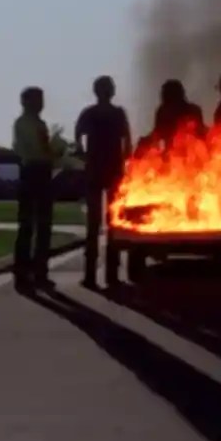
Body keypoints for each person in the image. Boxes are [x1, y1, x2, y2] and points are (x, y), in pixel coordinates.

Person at [75, 75, 132, 289]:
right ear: (110, 91)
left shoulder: (89, 113)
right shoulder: (117, 114)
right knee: (112, 224)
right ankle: (111, 276)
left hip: (96, 171)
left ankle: (91, 276)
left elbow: (77, 135)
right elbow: (128, 140)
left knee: (94, 224)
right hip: (111, 171)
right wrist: (127, 161)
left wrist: (82, 152)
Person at [12, 86, 56, 290]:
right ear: (26, 102)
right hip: (36, 171)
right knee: (37, 225)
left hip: (33, 171)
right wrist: (56, 148)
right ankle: (33, 273)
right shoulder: (31, 124)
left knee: (33, 226)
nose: (41, 103)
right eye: (38, 100)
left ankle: (30, 273)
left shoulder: (29, 123)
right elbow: (43, 148)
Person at [152, 78, 205, 150]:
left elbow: (201, 134)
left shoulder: (193, 111)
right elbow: (157, 134)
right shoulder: (162, 112)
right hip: (172, 154)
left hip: (192, 152)